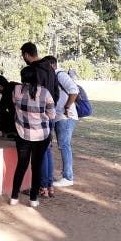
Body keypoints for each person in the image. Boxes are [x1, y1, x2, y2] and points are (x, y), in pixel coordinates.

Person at [10, 42, 56, 208]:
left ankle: (14, 197)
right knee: (36, 167)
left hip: (23, 134)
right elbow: (51, 114)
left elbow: (15, 106)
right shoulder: (44, 92)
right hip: (42, 134)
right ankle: (34, 199)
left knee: (21, 166)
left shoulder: (16, 91)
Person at [45, 55, 80, 188]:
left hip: (66, 116)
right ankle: (65, 174)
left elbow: (74, 90)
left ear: (53, 65)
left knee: (64, 145)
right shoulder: (53, 76)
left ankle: (68, 177)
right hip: (58, 116)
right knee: (61, 145)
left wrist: (66, 107)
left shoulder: (60, 75)